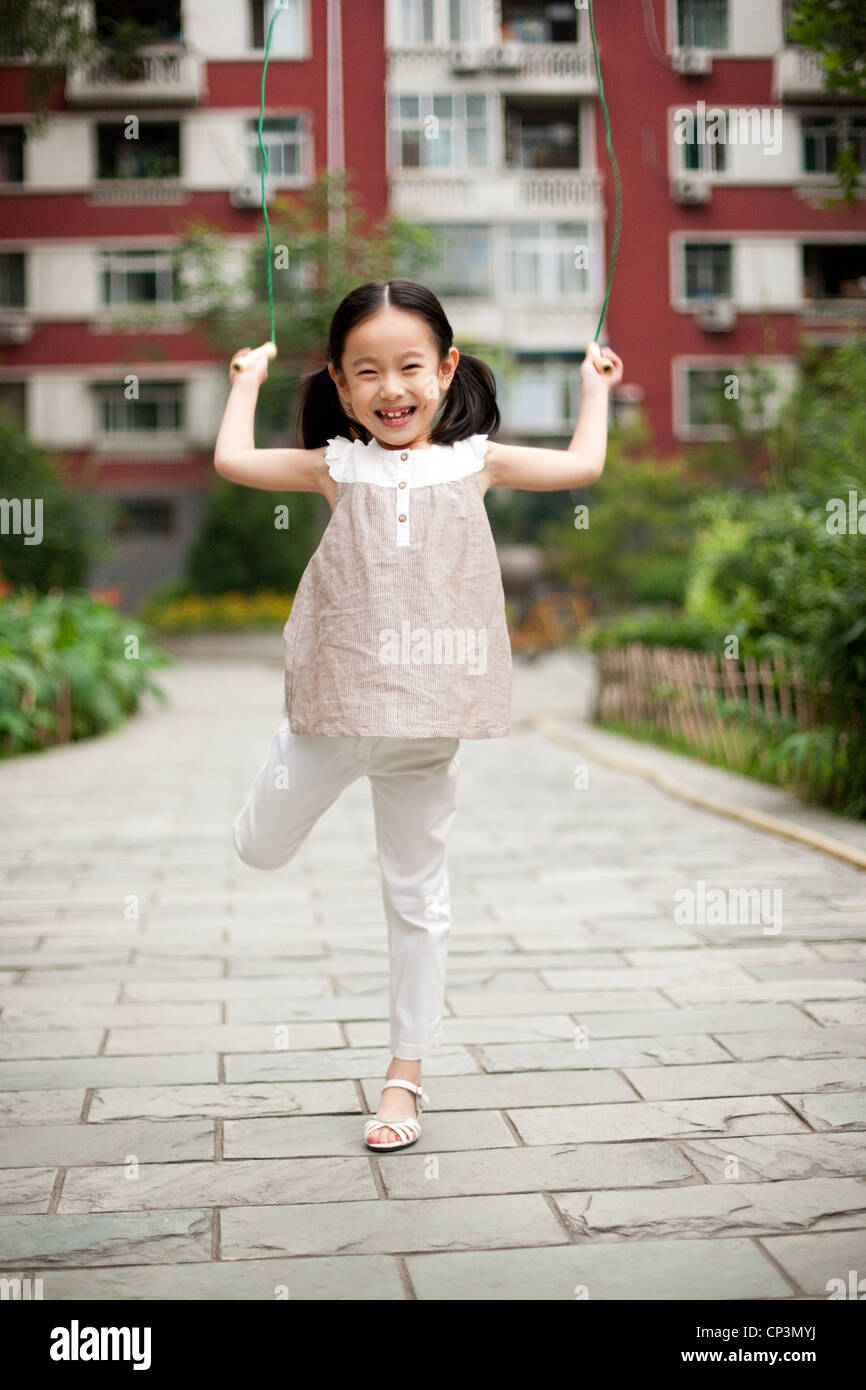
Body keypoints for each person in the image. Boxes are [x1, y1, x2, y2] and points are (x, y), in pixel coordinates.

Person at [214, 279, 623, 1151]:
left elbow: (583, 466)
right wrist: (246, 377)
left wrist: (595, 387)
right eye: (366, 372)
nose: (389, 389)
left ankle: (405, 1080)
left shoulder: (476, 459)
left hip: (428, 721)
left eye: (409, 367)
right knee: (258, 848)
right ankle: (283, 764)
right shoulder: (337, 463)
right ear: (338, 380)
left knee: (417, 899)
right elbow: (234, 461)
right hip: (330, 714)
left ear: (445, 371)